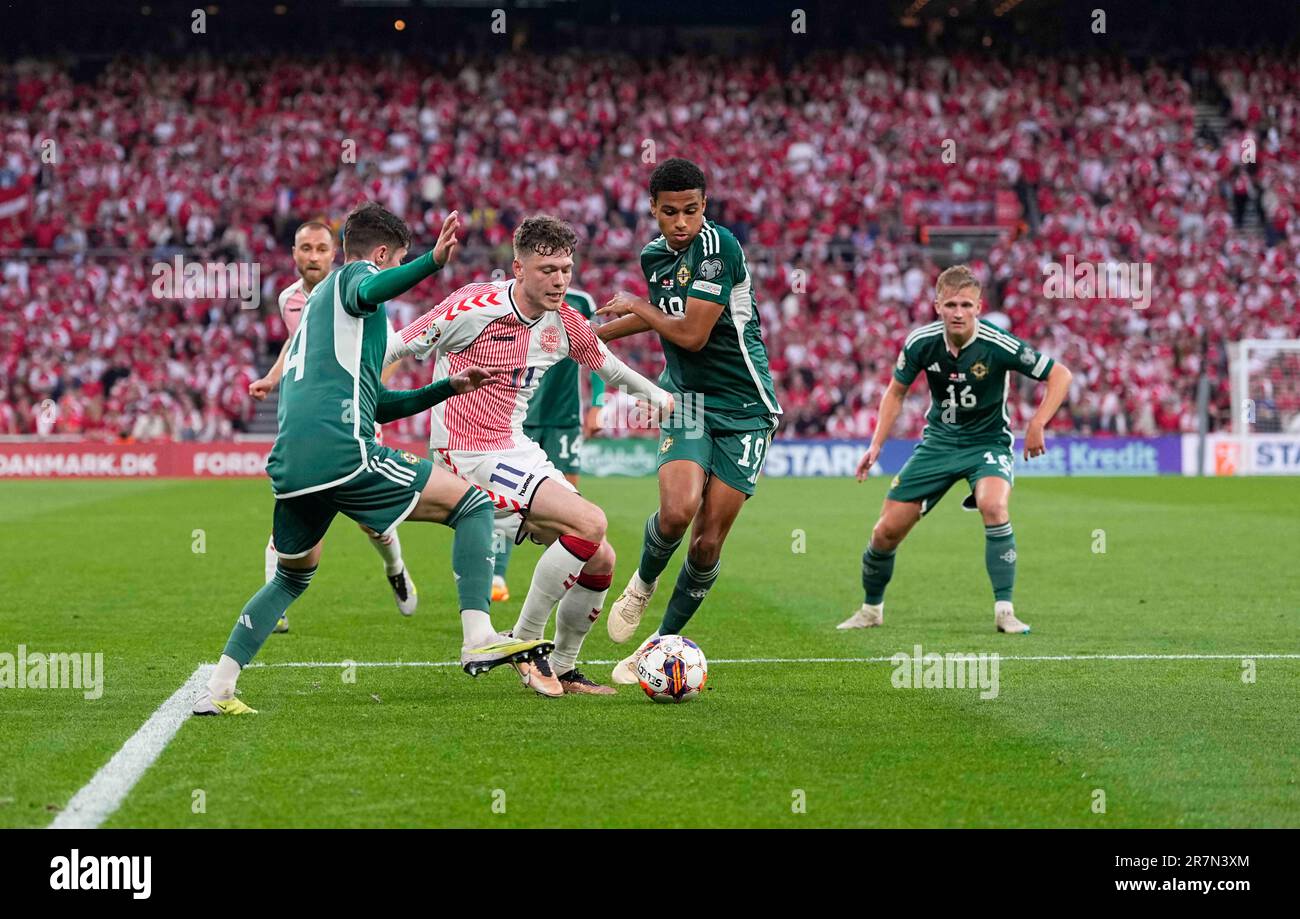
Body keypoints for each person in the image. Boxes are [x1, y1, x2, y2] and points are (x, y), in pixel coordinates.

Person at [193, 203, 552, 716]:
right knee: (472, 505)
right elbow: (369, 287)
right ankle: (478, 636)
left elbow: (376, 401)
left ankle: (219, 690)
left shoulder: (320, 310)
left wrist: (445, 387)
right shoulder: (353, 279)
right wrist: (431, 261)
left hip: (293, 462)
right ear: (383, 254)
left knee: (292, 576)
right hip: (342, 449)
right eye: (397, 259)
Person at [595, 158, 782, 684]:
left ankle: (657, 644)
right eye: (670, 212)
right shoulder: (655, 256)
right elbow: (661, 313)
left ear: (706, 206)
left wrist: (635, 303)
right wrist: (590, 337)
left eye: (692, 210)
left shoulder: (720, 248)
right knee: (676, 513)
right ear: (653, 210)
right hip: (689, 398)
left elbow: (692, 333)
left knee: (705, 542)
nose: (682, 222)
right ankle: (643, 582)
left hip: (745, 407)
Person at [837, 264, 1073, 634]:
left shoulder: (999, 344)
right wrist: (876, 444)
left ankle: (1004, 610)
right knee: (885, 532)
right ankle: (871, 609)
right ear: (937, 306)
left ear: (979, 307)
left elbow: (1060, 374)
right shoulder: (921, 342)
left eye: (966, 304)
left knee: (993, 505)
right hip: (939, 443)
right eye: (951, 305)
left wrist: (1038, 422)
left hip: (988, 442)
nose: (958, 312)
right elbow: (895, 392)